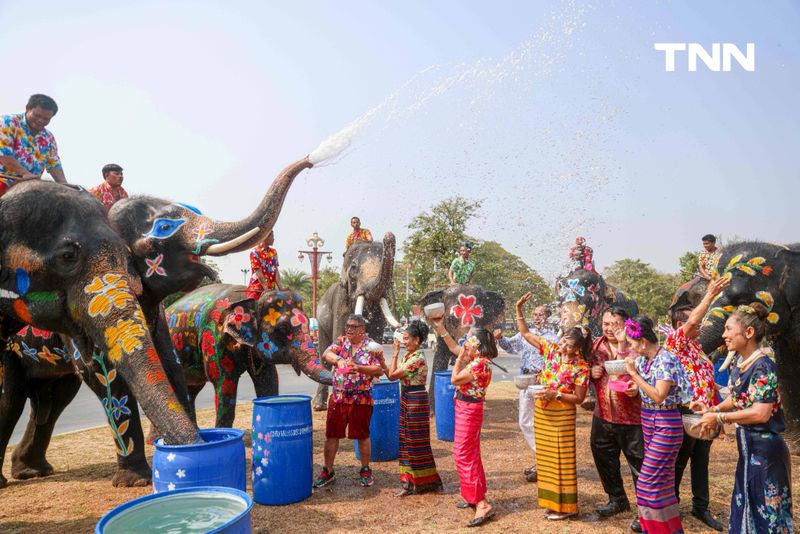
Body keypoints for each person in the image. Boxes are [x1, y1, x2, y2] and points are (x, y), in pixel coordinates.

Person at [694, 303, 793, 533]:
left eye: (729, 329)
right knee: (746, 505)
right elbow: (738, 398)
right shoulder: (740, 364)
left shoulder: (763, 366)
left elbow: (761, 412)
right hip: (748, 449)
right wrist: (712, 409)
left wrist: (719, 419)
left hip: (766, 452)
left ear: (748, 333)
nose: (724, 335)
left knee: (767, 514)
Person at [516, 292, 591, 521]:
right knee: (547, 460)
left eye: (568, 347)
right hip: (543, 412)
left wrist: (556, 393)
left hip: (562, 416)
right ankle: (551, 503)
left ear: (578, 348)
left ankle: (567, 507)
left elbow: (578, 398)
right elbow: (526, 333)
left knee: (562, 459)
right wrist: (519, 309)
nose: (562, 348)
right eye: (562, 343)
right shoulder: (550, 350)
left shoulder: (581, 367)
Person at [668, 277, 729, 532]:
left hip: (705, 413)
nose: (701, 326)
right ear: (682, 325)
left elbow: (703, 376)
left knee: (701, 459)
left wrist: (722, 391)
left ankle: (700, 506)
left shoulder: (697, 347)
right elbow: (693, 320)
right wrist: (710, 296)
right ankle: (670, 507)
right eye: (697, 323)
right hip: (686, 412)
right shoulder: (675, 342)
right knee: (680, 460)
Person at [622, 315, 694, 534]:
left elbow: (659, 396)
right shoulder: (645, 360)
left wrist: (634, 375)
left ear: (643, 341)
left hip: (666, 423)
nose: (631, 348)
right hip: (648, 420)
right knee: (661, 485)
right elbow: (648, 389)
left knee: (647, 484)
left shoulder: (666, 359)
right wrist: (636, 387)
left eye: (632, 343)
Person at [313, 314, 386, 488]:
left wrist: (359, 368)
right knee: (331, 435)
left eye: (353, 326)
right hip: (339, 397)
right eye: (347, 326)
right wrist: (338, 360)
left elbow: (379, 370)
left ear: (362, 329)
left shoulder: (371, 346)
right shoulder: (341, 342)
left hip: (361, 399)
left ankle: (365, 470)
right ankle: (328, 470)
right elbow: (326, 354)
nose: (348, 329)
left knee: (362, 436)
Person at [588, 306, 643, 529]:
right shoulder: (595, 346)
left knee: (639, 465)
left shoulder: (637, 346)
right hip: (603, 414)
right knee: (604, 458)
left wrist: (637, 388)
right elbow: (583, 370)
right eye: (606, 324)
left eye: (615, 324)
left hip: (632, 417)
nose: (610, 329)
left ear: (626, 324)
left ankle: (645, 510)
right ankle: (617, 499)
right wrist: (591, 374)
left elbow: (651, 373)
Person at [493, 304, 558, 483]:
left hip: (543, 383)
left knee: (544, 422)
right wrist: (500, 338)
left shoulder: (553, 338)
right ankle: (543, 457)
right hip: (526, 380)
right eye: (535, 314)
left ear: (548, 317)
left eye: (541, 314)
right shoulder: (524, 333)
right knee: (525, 421)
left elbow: (556, 361)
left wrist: (544, 375)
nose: (537, 317)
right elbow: (510, 347)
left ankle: (544, 462)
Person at [385, 320, 442, 496]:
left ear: (417, 340)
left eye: (407, 338)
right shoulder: (408, 357)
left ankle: (424, 481)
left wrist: (391, 356)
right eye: (403, 338)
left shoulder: (417, 359)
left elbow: (392, 376)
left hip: (416, 400)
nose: (404, 342)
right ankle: (409, 482)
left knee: (416, 440)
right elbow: (390, 374)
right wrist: (393, 356)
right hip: (407, 398)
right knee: (406, 439)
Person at [450, 327, 497, 527]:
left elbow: (454, 379)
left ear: (476, 344)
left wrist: (460, 358)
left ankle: (481, 503)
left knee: (463, 455)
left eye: (468, 339)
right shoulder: (480, 363)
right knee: (471, 454)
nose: (465, 343)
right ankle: (473, 496)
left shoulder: (479, 364)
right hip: (466, 408)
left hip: (469, 410)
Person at [0, 94, 67, 197]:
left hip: (31, 188)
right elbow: (3, 154)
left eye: (46, 119)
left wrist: (64, 185)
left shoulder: (48, 137)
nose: (40, 120)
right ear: (27, 108)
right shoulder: (7, 122)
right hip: (4, 181)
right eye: (37, 115)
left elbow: (54, 164)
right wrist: (24, 173)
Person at [245, 231, 284, 299]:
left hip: (270, 291)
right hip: (257, 290)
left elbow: (276, 271)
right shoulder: (255, 252)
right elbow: (258, 273)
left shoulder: (273, 252)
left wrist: (281, 288)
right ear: (265, 237)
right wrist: (266, 289)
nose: (273, 239)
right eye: (272, 236)